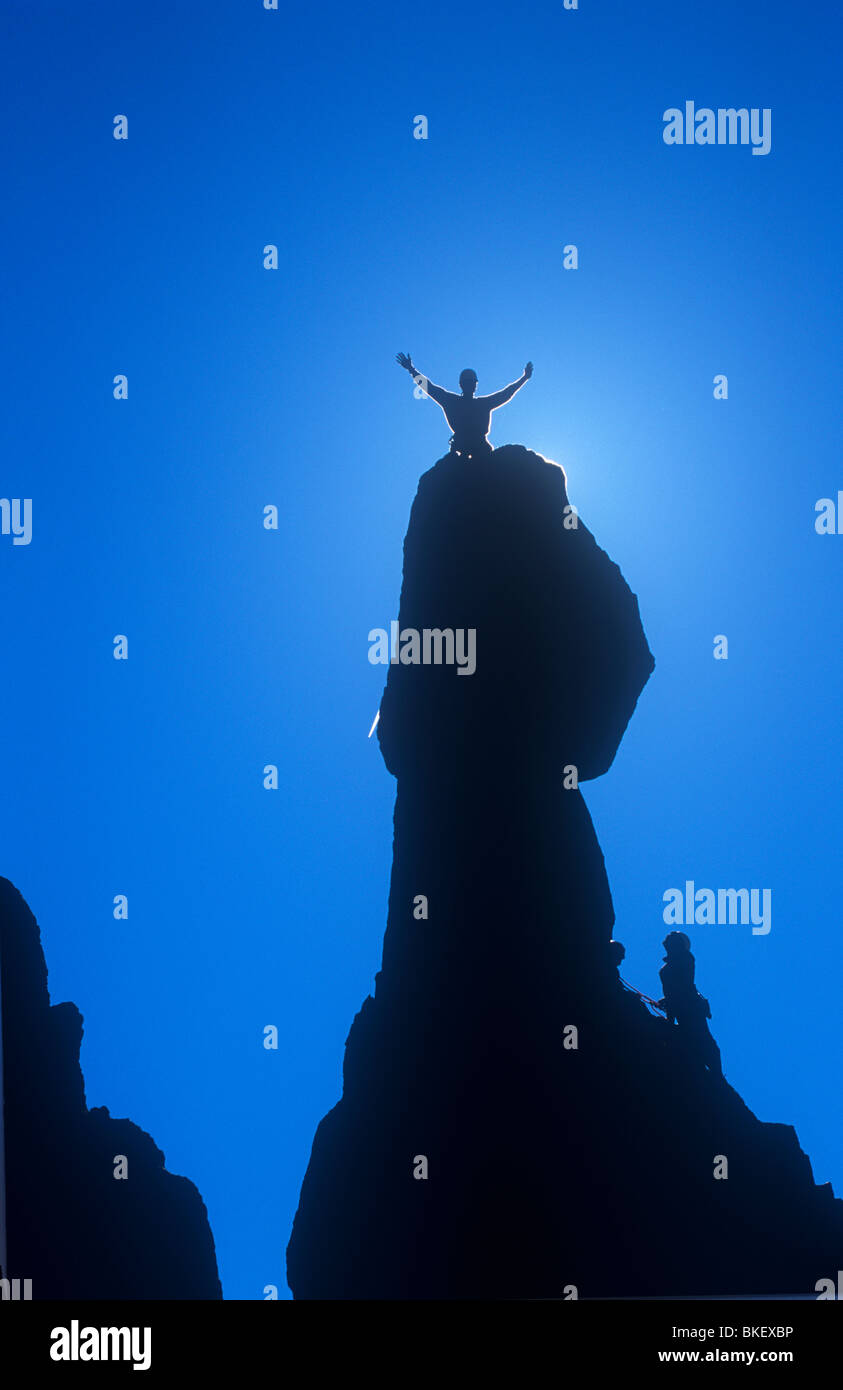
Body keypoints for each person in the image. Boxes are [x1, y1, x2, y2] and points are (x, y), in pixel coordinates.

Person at [396, 352, 533, 459]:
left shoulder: (479, 404)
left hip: (480, 447)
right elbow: (428, 387)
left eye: (472, 383)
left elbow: (506, 394)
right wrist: (411, 370)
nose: (470, 385)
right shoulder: (453, 401)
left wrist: (524, 378)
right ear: (462, 384)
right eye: (468, 382)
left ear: (475, 385)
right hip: (462, 446)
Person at [658, 931, 723, 1077]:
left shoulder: (683, 960)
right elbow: (677, 990)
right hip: (688, 1008)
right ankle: (714, 1075)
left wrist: (669, 1012)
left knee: (705, 1042)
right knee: (702, 1042)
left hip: (690, 1008)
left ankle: (716, 1075)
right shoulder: (670, 968)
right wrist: (668, 1004)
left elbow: (682, 987)